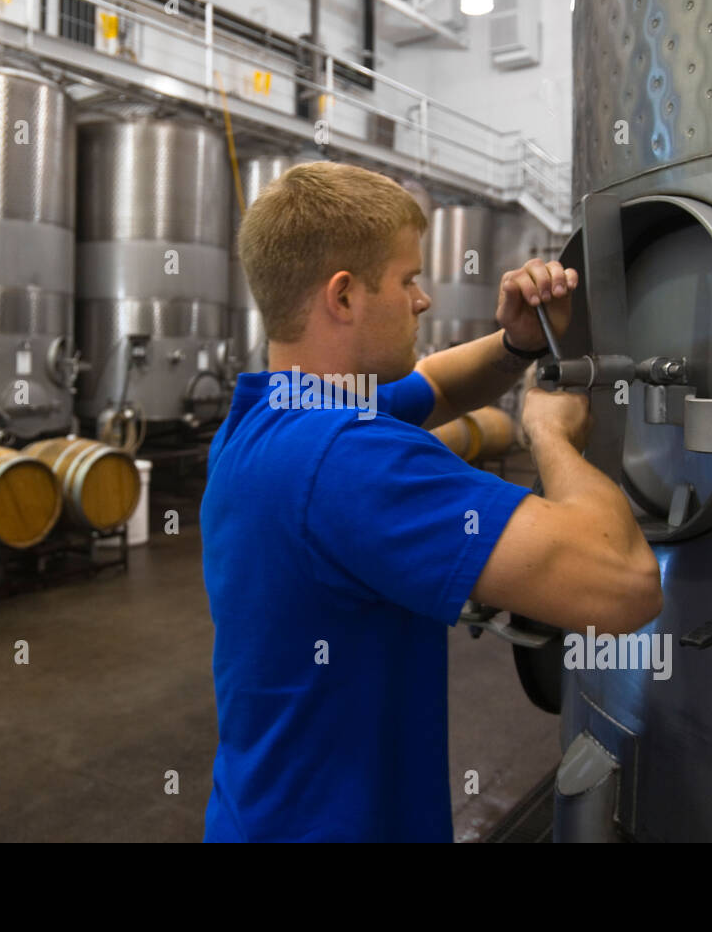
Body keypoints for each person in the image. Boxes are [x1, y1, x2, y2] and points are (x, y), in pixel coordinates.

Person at [200, 161, 661, 842]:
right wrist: (549, 434)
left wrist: (517, 344)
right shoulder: (349, 460)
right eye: (408, 280)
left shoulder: (272, 417)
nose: (422, 301)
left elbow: (436, 387)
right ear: (344, 296)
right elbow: (624, 585)